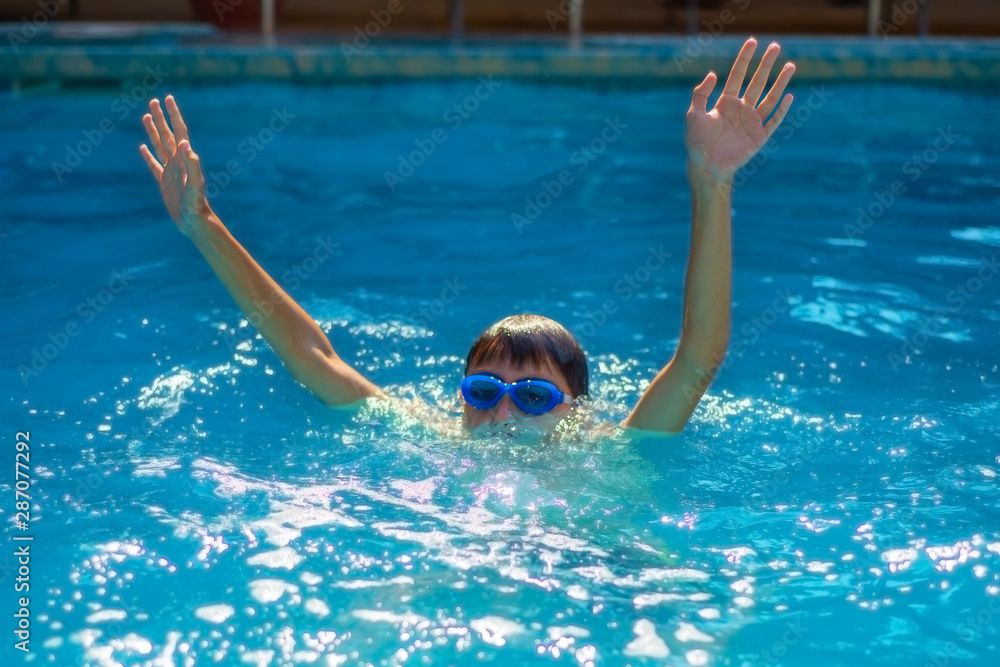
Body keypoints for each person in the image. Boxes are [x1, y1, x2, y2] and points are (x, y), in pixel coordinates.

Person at [138, 37, 795, 442]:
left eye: (533, 397)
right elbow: (312, 354)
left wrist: (711, 183)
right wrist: (203, 224)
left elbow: (699, 356)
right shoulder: (430, 441)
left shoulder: (614, 449)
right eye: (483, 391)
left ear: (574, 413)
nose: (501, 416)